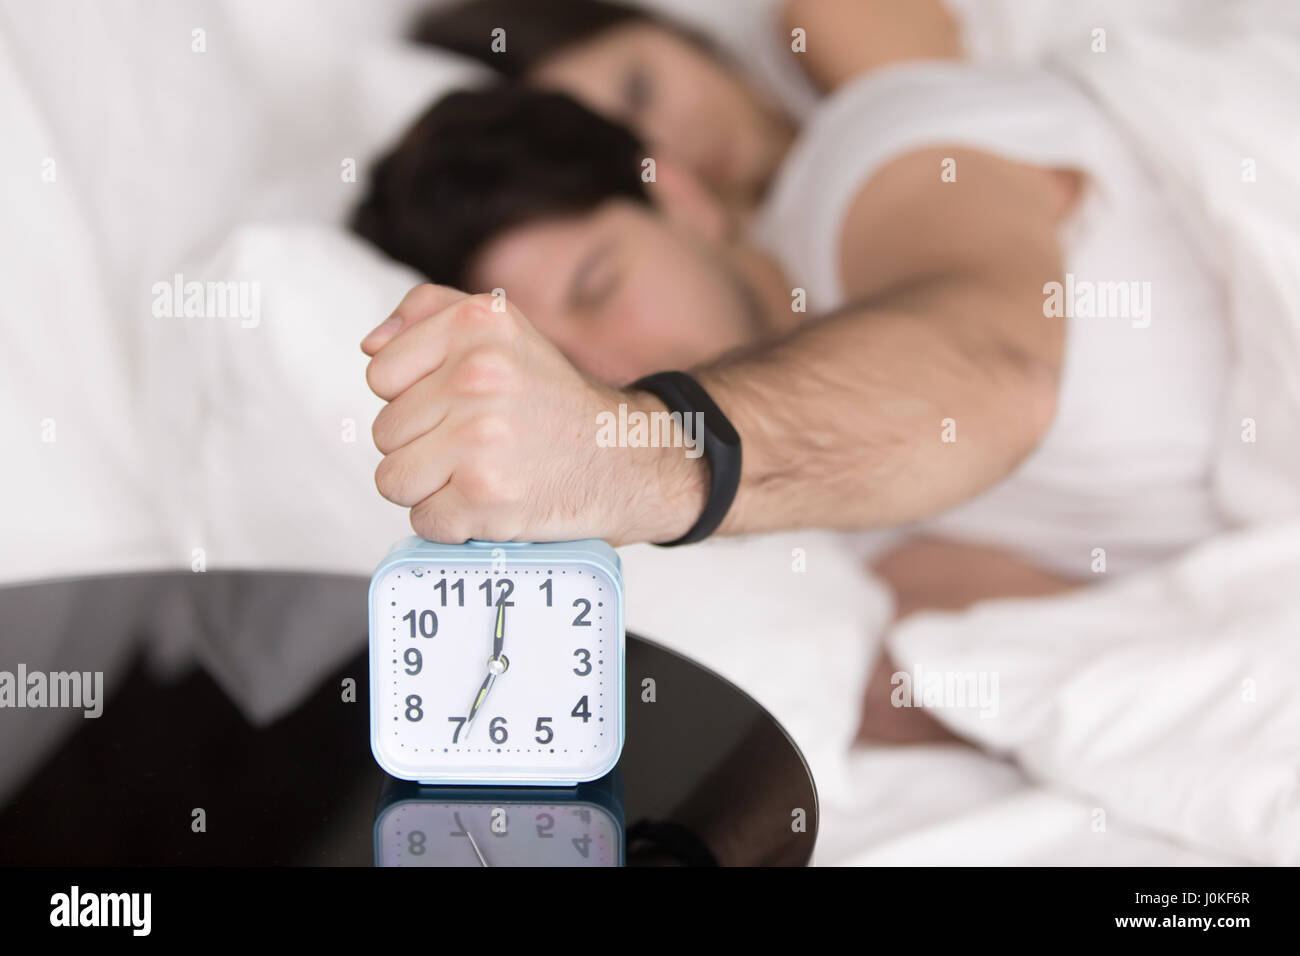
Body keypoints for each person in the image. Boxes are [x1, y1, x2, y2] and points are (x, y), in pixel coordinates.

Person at [352, 64, 1228, 739]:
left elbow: (991, 370)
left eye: (597, 286)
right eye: (559, 359)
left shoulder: (880, 159)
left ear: (679, 198)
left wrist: (634, 454)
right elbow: (1102, 639)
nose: (605, 366)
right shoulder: (816, 507)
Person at [411, 0, 963, 209]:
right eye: (631, 154)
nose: (666, 147)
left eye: (640, 90)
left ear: (669, 31)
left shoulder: (822, 22)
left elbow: (989, 173)